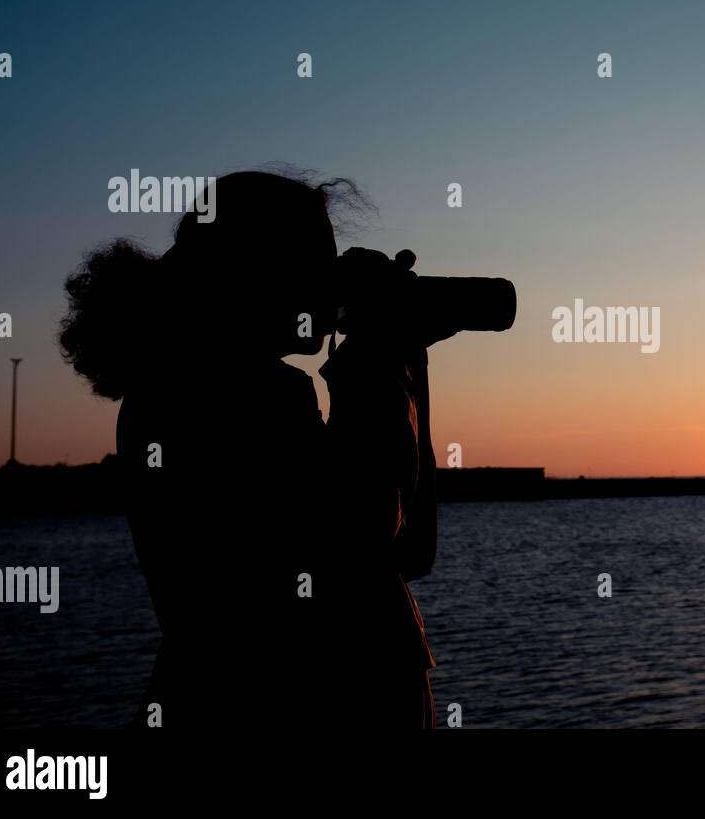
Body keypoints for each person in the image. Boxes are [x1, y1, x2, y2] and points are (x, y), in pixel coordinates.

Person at [58, 170, 438, 730]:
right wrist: (376, 354)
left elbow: (410, 552)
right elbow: (360, 532)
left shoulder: (187, 385)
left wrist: (409, 360)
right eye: (317, 259)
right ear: (255, 269)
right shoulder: (221, 389)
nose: (330, 281)